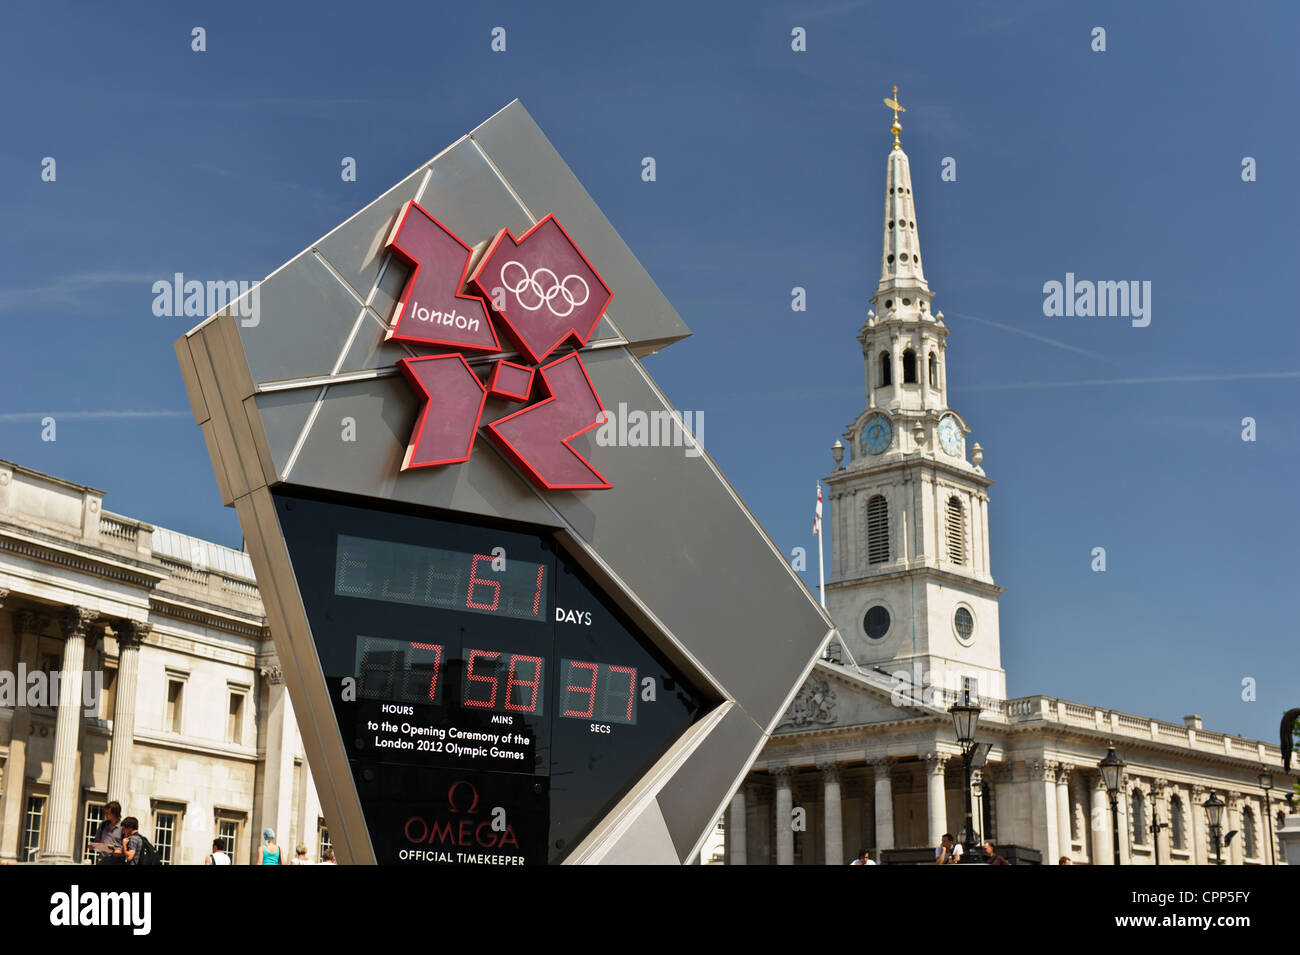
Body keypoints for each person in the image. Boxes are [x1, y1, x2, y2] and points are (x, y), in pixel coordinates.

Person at [89, 801, 123, 866]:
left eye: (108, 813)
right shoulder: (102, 825)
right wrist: (93, 845)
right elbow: (97, 841)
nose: (105, 815)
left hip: (117, 862)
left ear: (115, 813)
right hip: (102, 861)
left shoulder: (123, 828)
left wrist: (117, 851)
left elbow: (125, 847)